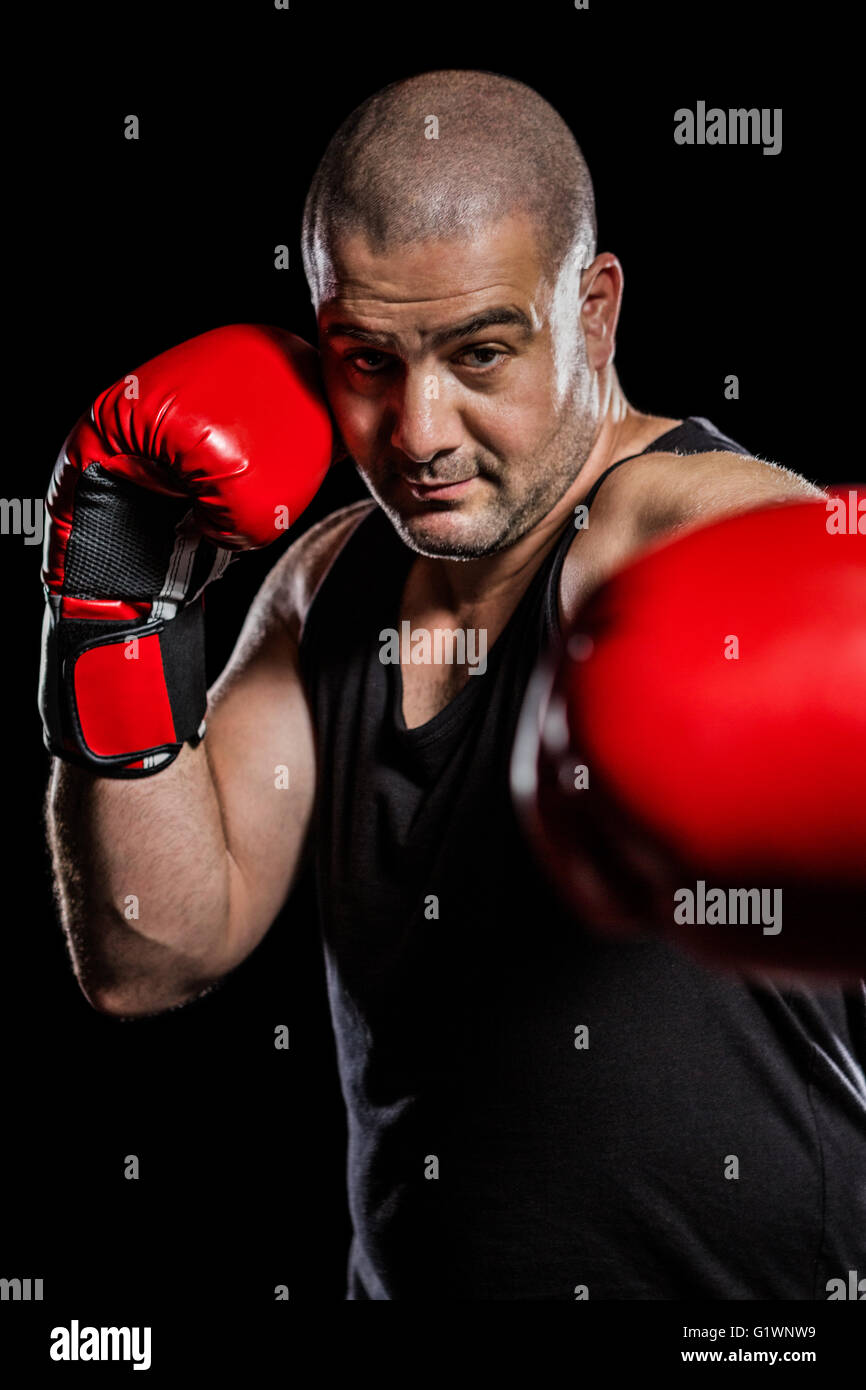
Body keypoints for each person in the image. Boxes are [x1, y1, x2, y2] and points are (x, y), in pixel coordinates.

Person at [41, 70, 866, 1300]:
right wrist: (108, 602)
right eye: (366, 361)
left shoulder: (662, 520)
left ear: (592, 310)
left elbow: (793, 558)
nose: (419, 431)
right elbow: (152, 952)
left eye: (480, 352)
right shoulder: (326, 581)